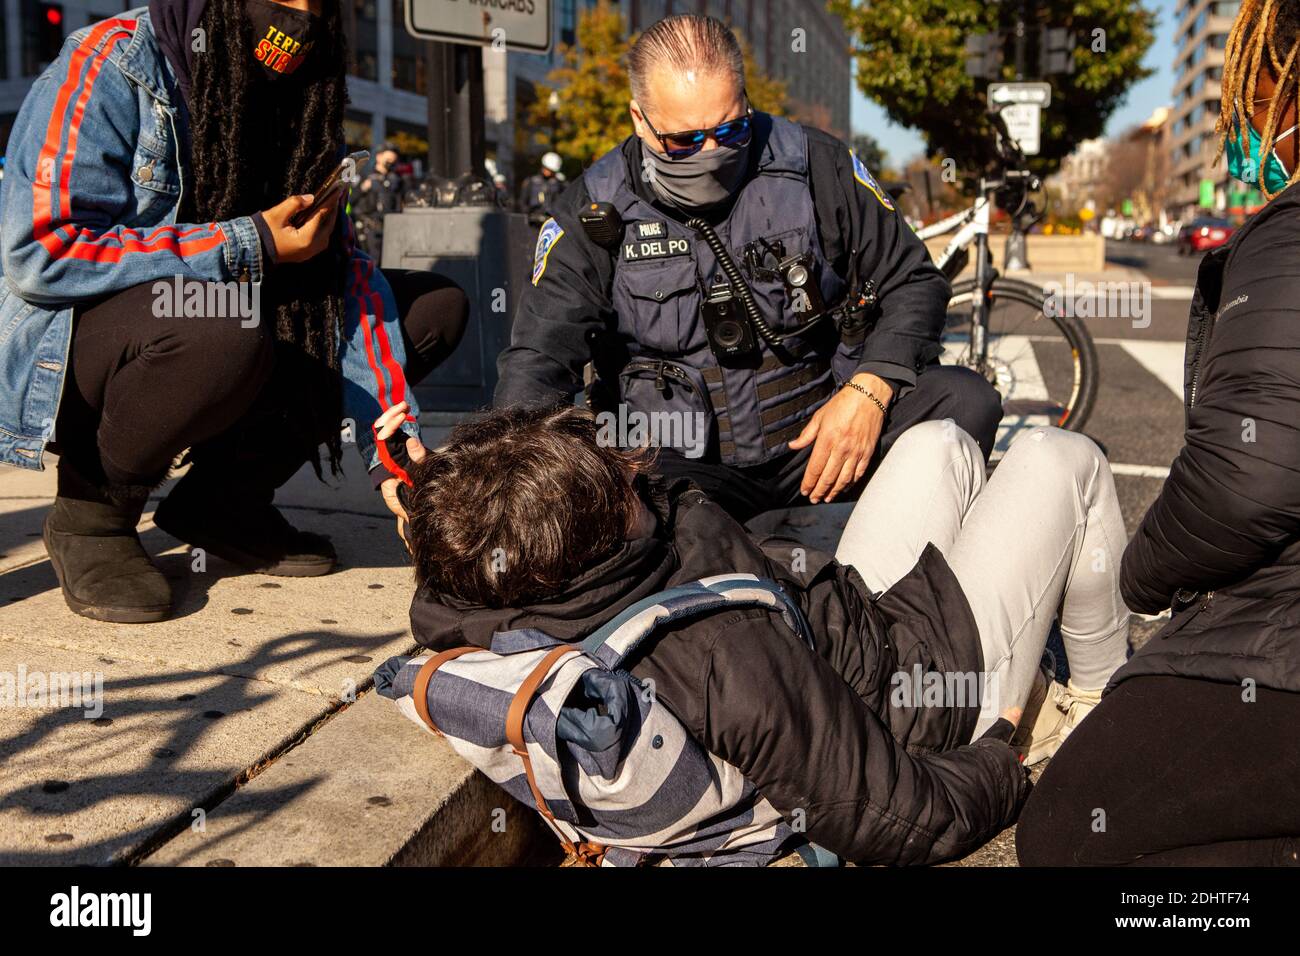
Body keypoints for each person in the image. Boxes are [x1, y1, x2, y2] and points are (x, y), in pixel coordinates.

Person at [377, 398, 1130, 865]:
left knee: (941, 442)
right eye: (620, 483)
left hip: (843, 618)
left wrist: (452, 492)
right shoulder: (721, 658)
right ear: (601, 531)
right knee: (1062, 458)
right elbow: (895, 817)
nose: (637, 473)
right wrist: (1002, 757)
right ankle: (1099, 709)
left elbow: (449, 577)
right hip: (919, 694)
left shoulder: (490, 587)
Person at [0, 0, 468, 623]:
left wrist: (392, 446)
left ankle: (225, 501)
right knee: (221, 325)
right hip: (87, 344)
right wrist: (251, 241)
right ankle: (92, 513)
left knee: (432, 308)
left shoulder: (304, 94)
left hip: (219, 328)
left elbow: (345, 278)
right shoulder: (112, 60)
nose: (299, 16)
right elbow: (41, 252)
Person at [495, 14, 1001, 524]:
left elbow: (913, 280)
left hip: (822, 445)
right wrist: (499, 479)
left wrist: (870, 388)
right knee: (621, 508)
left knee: (966, 401)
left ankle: (892, 550)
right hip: (680, 469)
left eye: (731, 129)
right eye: (685, 141)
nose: (711, 154)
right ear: (639, 119)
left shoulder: (816, 164)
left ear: (745, 97)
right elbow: (538, 359)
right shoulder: (594, 207)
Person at [1017, 0, 1300, 867]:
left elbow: (1249, 476)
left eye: (1245, 102)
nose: (1239, 128)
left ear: (1274, 89)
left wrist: (1143, 573)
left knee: (1069, 833)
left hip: (1276, 636)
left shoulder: (1289, 234)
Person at [350, 141, 405, 261]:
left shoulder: (396, 179)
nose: (391, 162)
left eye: (393, 160)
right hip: (368, 229)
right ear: (379, 157)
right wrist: (363, 188)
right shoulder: (365, 175)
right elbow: (351, 199)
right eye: (388, 159)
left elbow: (401, 202)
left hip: (390, 228)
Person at [518, 151, 564, 226]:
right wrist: (528, 215)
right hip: (532, 221)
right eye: (547, 168)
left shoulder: (559, 184)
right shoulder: (531, 181)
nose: (548, 172)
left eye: (551, 170)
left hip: (551, 222)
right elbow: (522, 202)